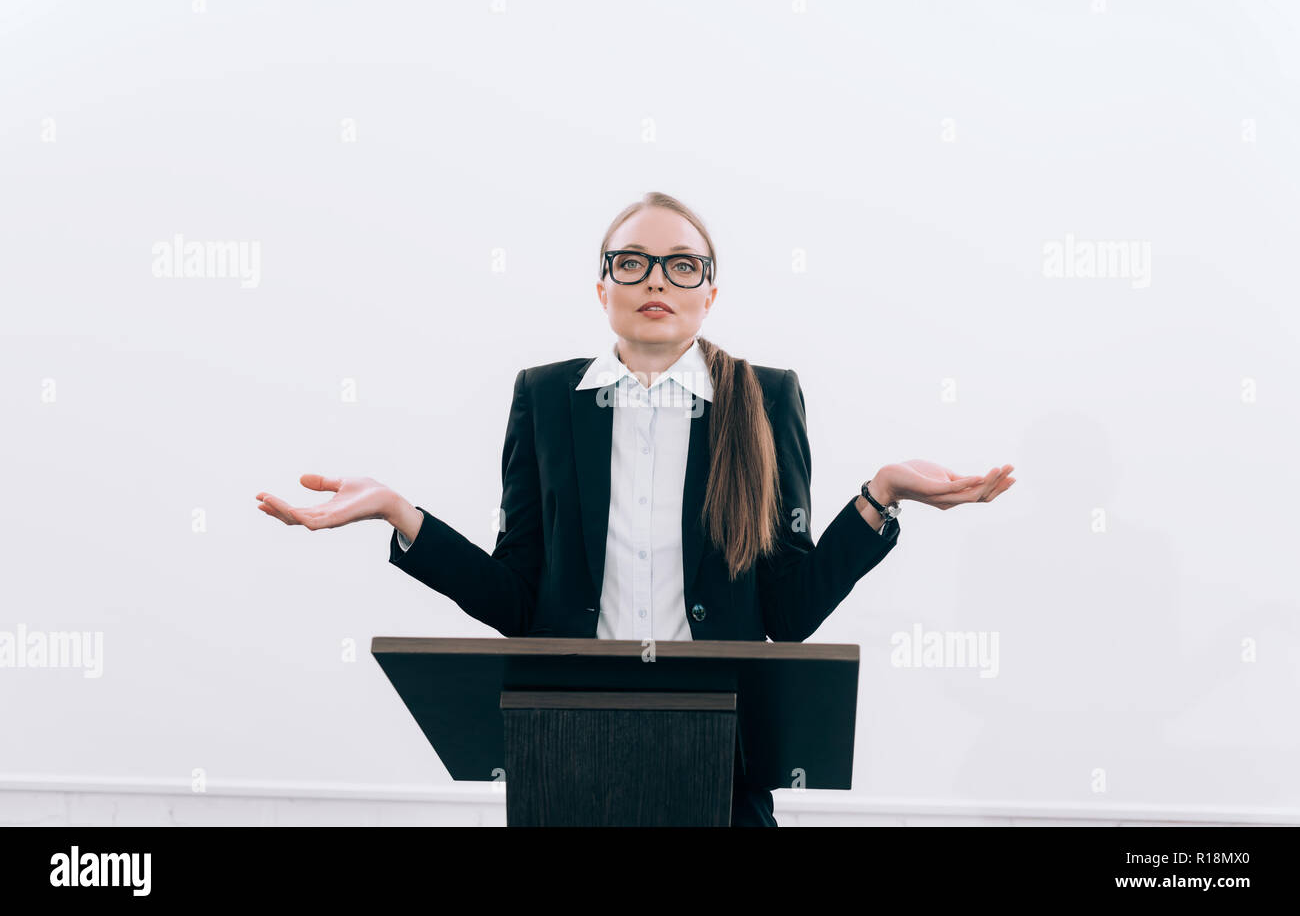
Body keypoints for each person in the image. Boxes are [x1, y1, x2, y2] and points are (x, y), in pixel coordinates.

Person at [257, 191, 1016, 826]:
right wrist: (400, 513)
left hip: (722, 762)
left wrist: (880, 496)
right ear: (603, 288)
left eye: (683, 265)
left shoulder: (766, 396)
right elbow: (516, 599)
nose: (658, 279)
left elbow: (789, 612)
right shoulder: (544, 398)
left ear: (709, 293)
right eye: (633, 262)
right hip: (566, 751)